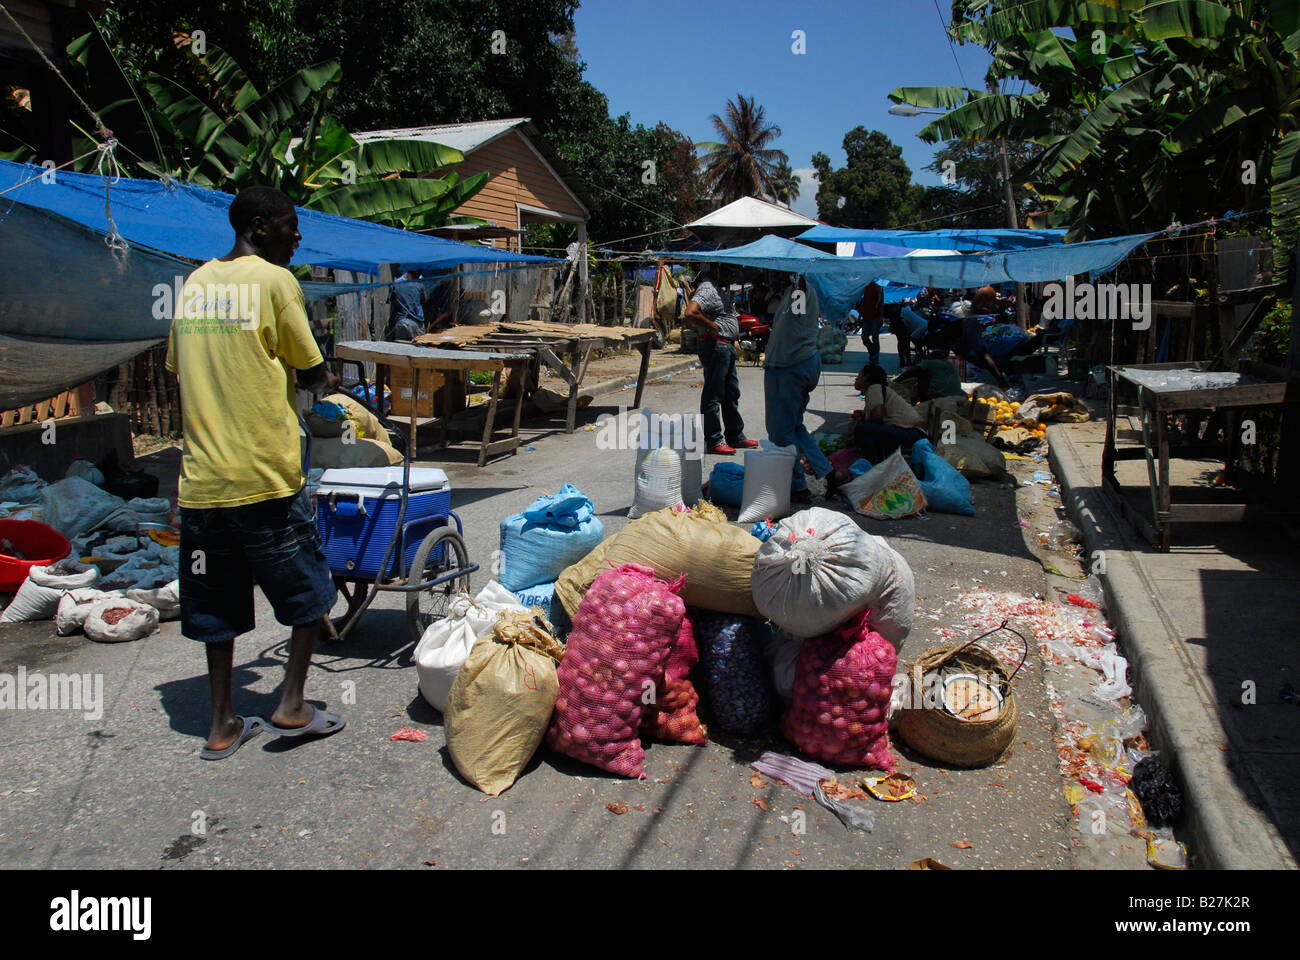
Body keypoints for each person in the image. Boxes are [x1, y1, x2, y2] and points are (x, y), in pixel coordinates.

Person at [166, 186, 345, 761]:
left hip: (202, 486)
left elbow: (185, 368)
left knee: (214, 608)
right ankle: (291, 703)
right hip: (264, 476)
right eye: (291, 226)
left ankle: (221, 725)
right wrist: (324, 386)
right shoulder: (274, 282)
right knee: (310, 594)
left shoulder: (194, 285)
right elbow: (312, 371)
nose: (298, 236)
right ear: (262, 226)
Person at [763, 275, 838, 503]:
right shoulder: (795, 290)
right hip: (801, 362)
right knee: (794, 427)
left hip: (790, 365)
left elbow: (794, 316)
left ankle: (797, 487)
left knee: (780, 431)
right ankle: (826, 470)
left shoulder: (800, 289)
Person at [683, 264, 758, 455]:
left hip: (725, 346)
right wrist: (710, 325)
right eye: (728, 272)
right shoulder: (707, 287)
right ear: (717, 270)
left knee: (731, 393)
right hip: (716, 345)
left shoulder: (717, 288)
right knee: (713, 394)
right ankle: (714, 440)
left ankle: (735, 435)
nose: (730, 277)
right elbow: (690, 313)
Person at [850, 363, 928, 463]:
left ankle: (875, 464)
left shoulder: (874, 388)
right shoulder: (877, 389)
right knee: (863, 427)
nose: (856, 380)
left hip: (914, 433)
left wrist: (859, 427)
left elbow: (878, 415)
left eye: (859, 376)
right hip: (914, 432)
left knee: (862, 428)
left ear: (867, 378)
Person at [895, 350, 965, 401]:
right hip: (957, 395)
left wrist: (897, 380)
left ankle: (920, 401)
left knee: (922, 376)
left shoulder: (930, 363)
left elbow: (913, 371)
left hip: (937, 395)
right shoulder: (951, 365)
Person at [387, 264, 426, 341]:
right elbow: (425, 300)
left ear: (408, 272)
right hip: (417, 323)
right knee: (419, 346)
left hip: (401, 323)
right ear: (419, 274)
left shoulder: (395, 285)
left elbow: (391, 300)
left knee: (401, 346)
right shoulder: (420, 286)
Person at [856, 281, 884, 363]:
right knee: (864, 337)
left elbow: (881, 303)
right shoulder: (865, 287)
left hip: (875, 316)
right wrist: (860, 314)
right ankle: (873, 352)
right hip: (866, 316)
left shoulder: (878, 288)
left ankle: (875, 358)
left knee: (875, 338)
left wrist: (881, 317)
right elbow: (864, 302)